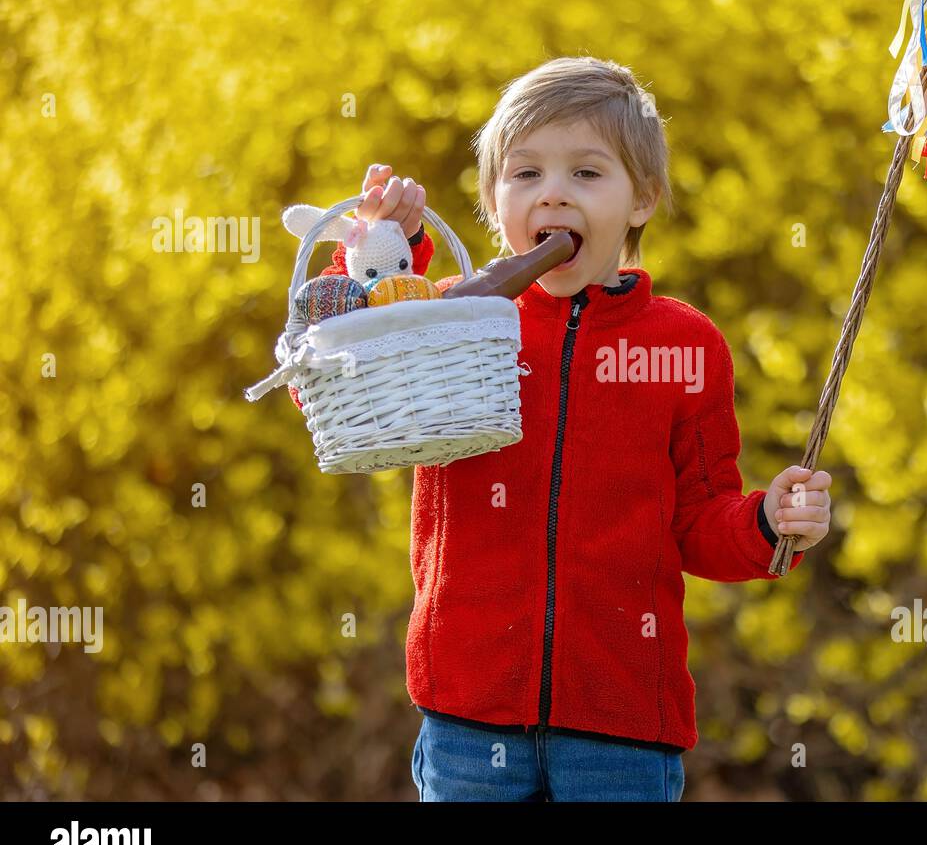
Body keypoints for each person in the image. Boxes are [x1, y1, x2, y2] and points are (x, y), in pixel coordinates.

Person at [295, 57, 832, 801]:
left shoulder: (684, 345)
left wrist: (770, 522)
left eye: (586, 173)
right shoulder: (452, 320)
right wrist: (381, 259)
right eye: (525, 175)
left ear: (641, 199)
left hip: (621, 727)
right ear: (490, 200)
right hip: (466, 715)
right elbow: (337, 383)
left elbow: (704, 523)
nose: (552, 192)